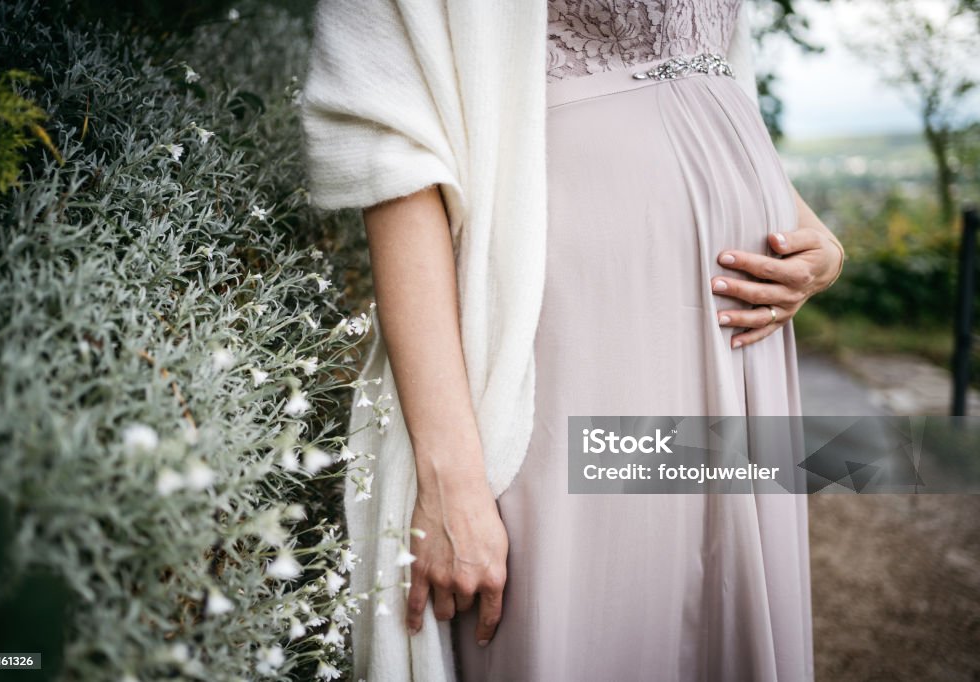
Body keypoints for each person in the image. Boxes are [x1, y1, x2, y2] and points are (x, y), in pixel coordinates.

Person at [300, 1, 844, 679]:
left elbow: (710, 73)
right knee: (584, 611)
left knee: (721, 599)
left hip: (739, 336)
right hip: (580, 318)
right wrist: (450, 483)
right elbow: (392, 145)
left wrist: (816, 236)